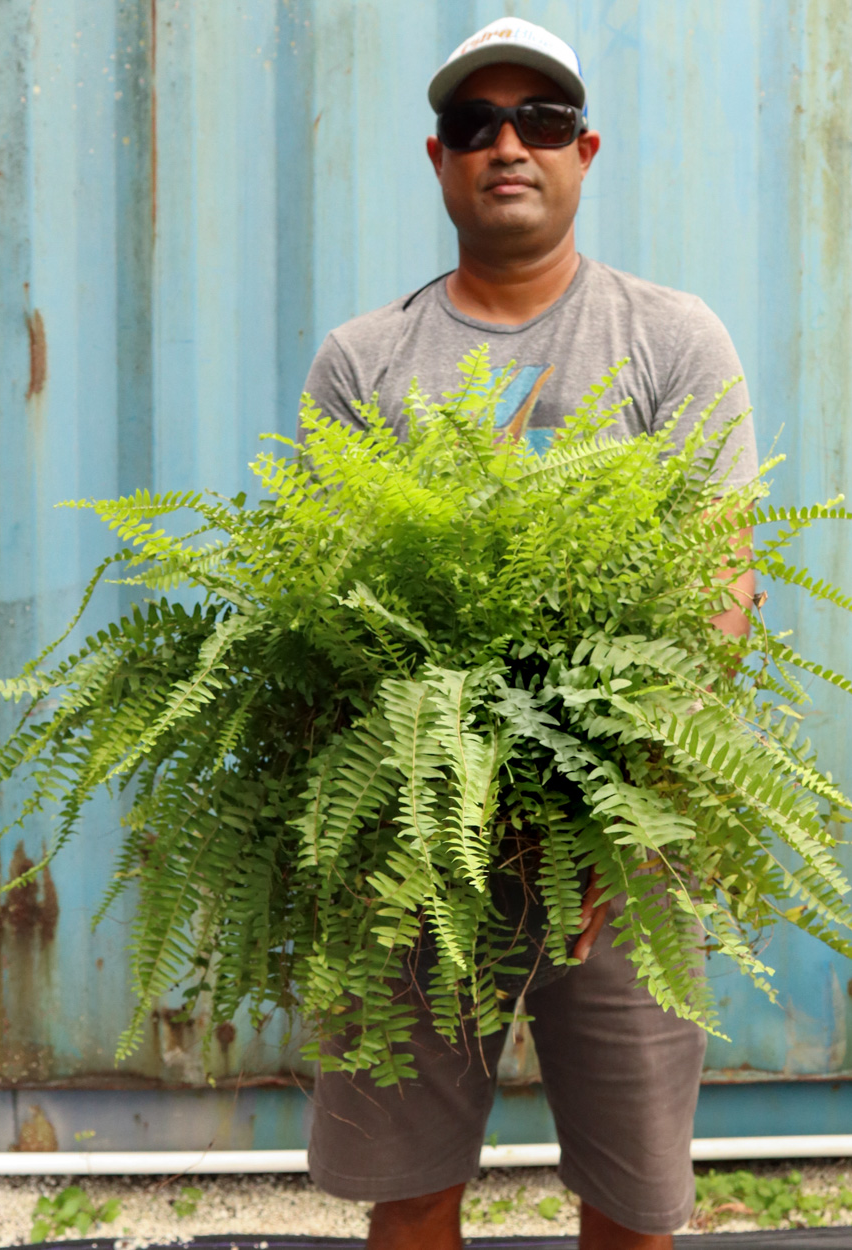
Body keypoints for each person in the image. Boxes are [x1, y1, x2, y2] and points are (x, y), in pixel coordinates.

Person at [301, 17, 758, 1250]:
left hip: (622, 841)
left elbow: (721, 581)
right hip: (408, 842)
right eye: (475, 125)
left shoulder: (672, 339)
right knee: (410, 1194)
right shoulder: (362, 360)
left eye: (539, 121)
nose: (508, 144)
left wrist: (631, 801)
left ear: (583, 150)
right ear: (440, 159)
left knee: (632, 1198)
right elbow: (334, 606)